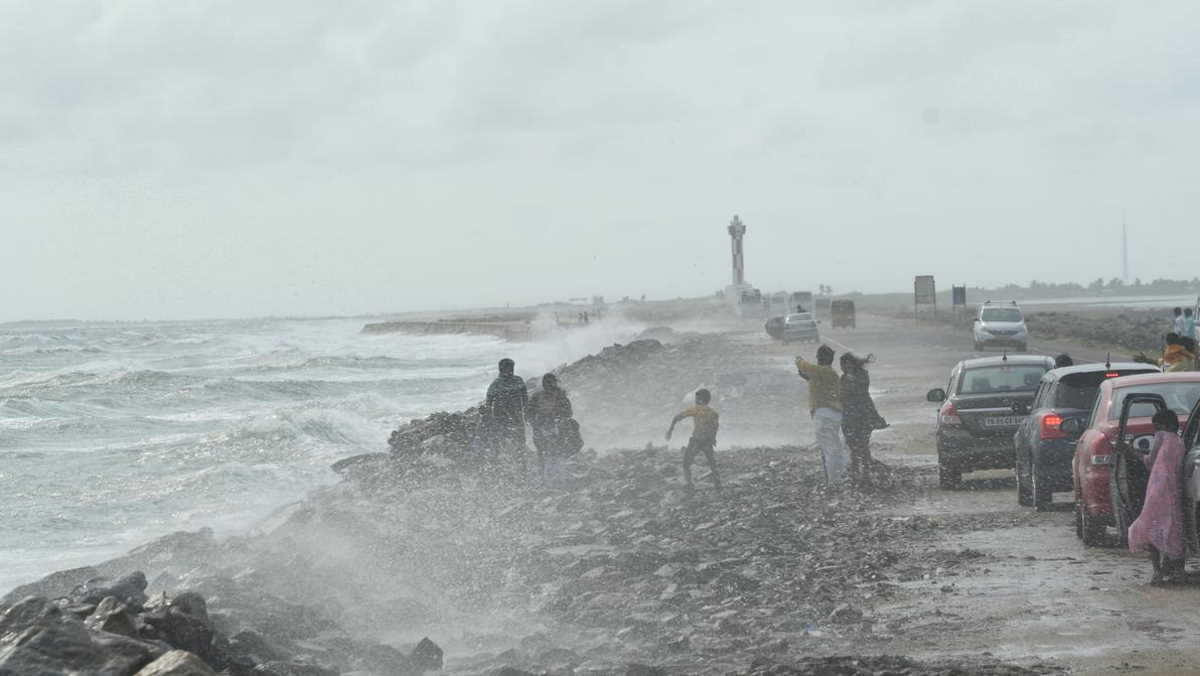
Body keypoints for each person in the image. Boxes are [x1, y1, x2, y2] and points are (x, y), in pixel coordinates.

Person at [1128, 410, 1187, 585]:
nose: (1155, 430)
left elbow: (1150, 461)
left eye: (1156, 426)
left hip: (1157, 489)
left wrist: (1132, 452)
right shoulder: (1180, 442)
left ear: (1163, 426)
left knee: (1150, 526)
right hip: (1173, 489)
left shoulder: (1162, 436)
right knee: (1172, 528)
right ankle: (1177, 570)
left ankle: (1157, 572)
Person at [795, 345, 847, 486]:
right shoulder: (828, 373)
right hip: (833, 414)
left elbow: (804, 366)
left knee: (830, 450)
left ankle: (833, 482)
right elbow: (814, 379)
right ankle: (839, 477)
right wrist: (807, 377)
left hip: (824, 415)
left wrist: (798, 360)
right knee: (833, 448)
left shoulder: (822, 371)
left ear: (820, 358)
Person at [840, 353, 888, 486]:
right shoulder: (845, 377)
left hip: (861, 416)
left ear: (851, 364)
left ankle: (864, 475)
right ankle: (857, 475)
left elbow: (859, 392)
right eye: (842, 365)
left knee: (861, 446)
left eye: (845, 364)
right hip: (850, 417)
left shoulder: (861, 376)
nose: (843, 367)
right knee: (854, 448)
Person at [665, 388, 721, 491]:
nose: (695, 400)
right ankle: (718, 483)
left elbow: (677, 417)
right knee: (712, 463)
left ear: (700, 399)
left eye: (696, 398)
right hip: (708, 441)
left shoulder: (696, 409)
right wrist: (713, 439)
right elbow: (715, 427)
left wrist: (670, 430)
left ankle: (689, 484)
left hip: (697, 440)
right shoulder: (714, 413)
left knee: (686, 464)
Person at [527, 373, 578, 486]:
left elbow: (568, 413)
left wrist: (558, 419)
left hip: (556, 428)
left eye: (551, 383)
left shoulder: (560, 396)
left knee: (557, 453)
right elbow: (529, 413)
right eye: (548, 383)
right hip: (542, 427)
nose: (550, 386)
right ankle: (547, 478)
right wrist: (537, 424)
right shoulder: (538, 397)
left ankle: (558, 478)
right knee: (544, 453)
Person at [483, 358, 529, 465]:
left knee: (520, 441)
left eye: (511, 368)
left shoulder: (518, 380)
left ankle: (521, 462)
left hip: (516, 416)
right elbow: (488, 401)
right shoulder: (496, 383)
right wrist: (489, 416)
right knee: (500, 441)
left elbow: (525, 398)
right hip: (500, 417)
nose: (510, 371)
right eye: (508, 368)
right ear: (501, 369)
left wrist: (526, 413)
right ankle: (500, 463)